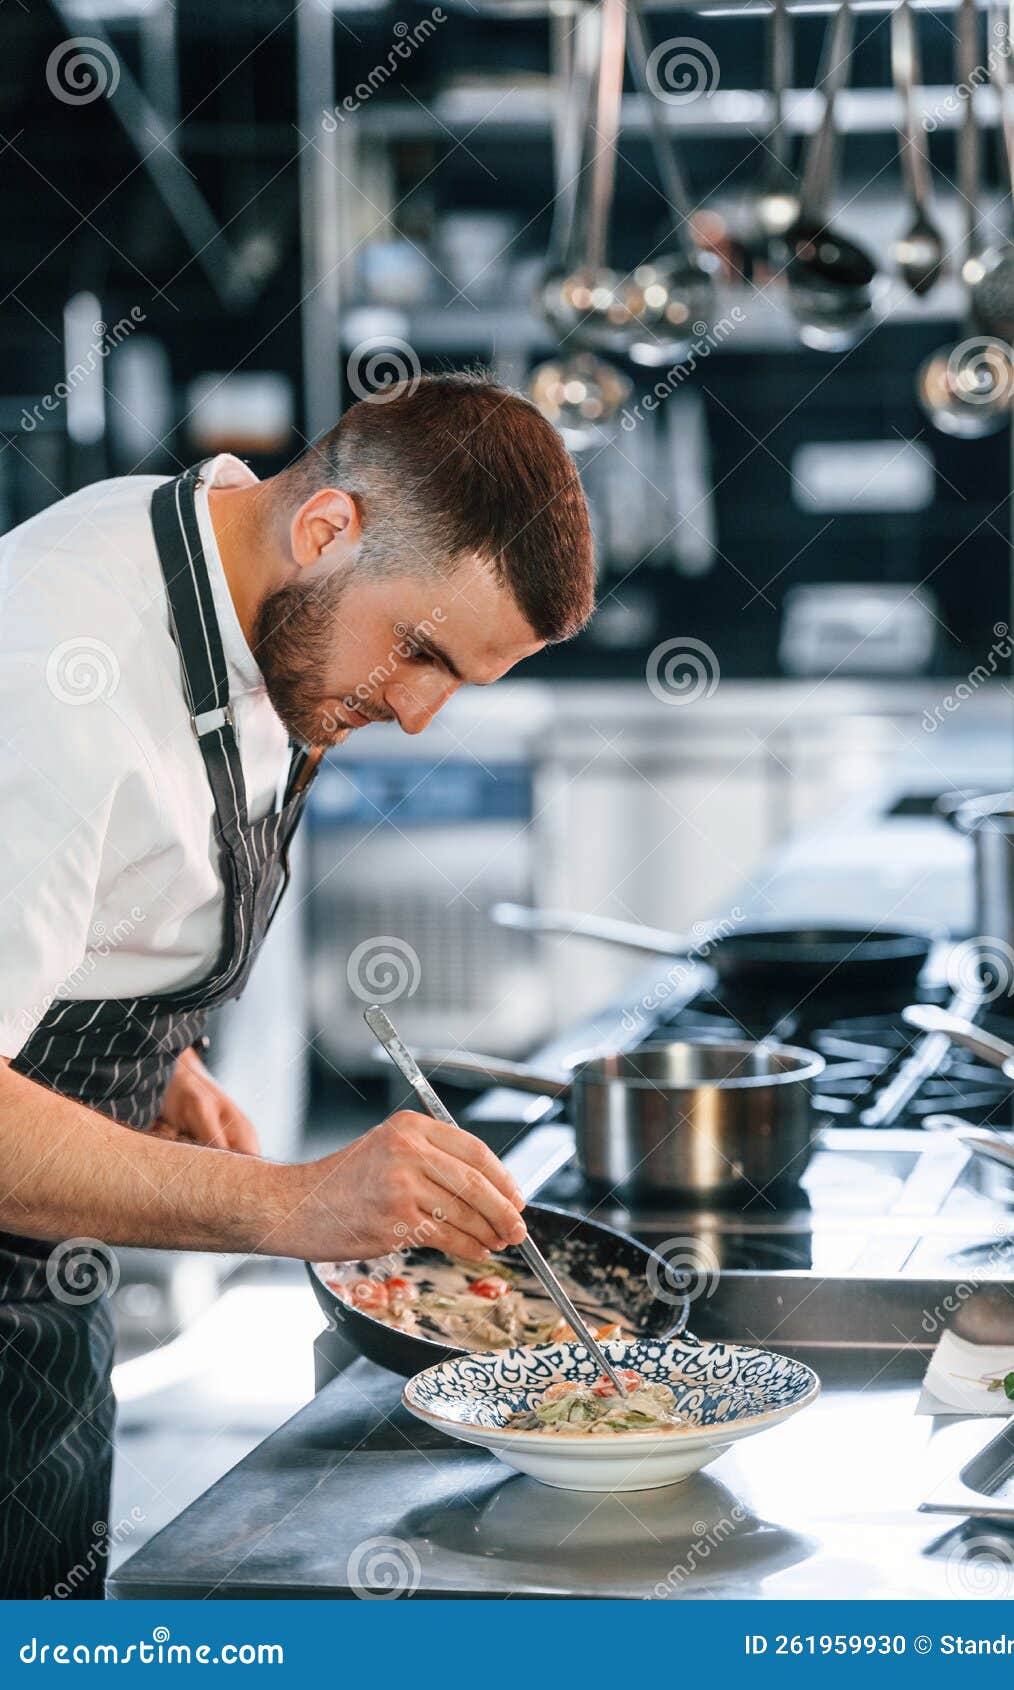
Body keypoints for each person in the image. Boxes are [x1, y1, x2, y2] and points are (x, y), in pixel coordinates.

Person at [0, 371, 596, 1597]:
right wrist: (286, 1203)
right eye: (420, 652)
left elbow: (112, 867)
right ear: (328, 527)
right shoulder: (56, 667)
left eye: (459, 682)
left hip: (44, 1290)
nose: (420, 715)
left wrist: (145, 1055)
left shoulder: (244, 581)